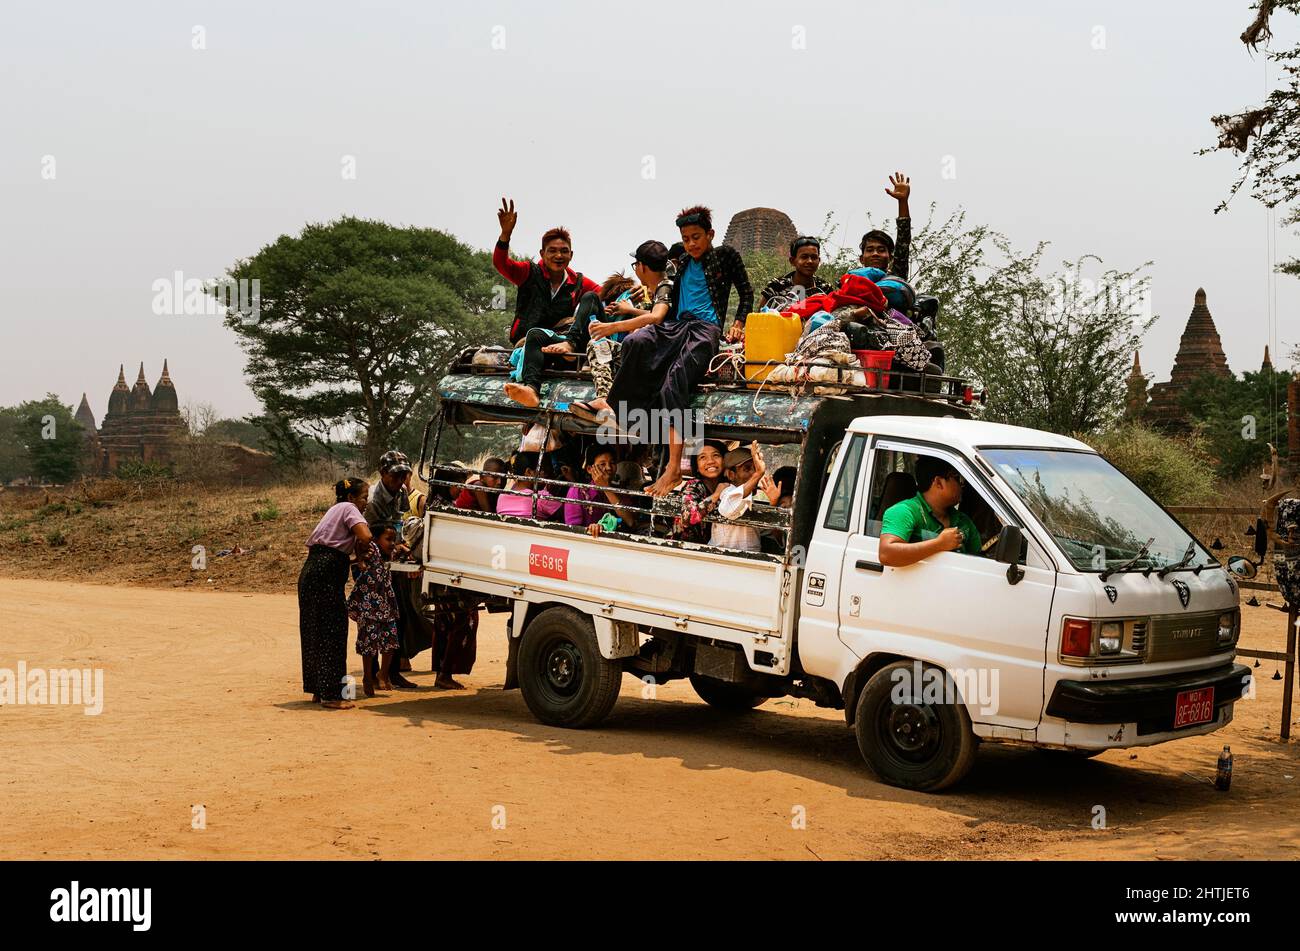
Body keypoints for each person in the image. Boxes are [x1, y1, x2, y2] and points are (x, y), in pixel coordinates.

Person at [581, 206, 752, 497]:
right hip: (676, 326)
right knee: (635, 341)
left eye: (696, 237)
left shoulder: (725, 256)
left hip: (705, 329)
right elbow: (662, 309)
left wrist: (738, 324)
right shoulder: (680, 263)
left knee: (674, 383)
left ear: (710, 234)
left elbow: (746, 293)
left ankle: (673, 468)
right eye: (686, 238)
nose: (691, 243)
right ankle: (618, 407)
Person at [546, 241, 673, 405]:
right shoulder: (658, 291)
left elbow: (656, 317)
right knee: (598, 344)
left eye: (636, 265)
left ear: (642, 267)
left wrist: (611, 326)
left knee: (602, 340)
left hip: (655, 355)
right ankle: (604, 399)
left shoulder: (666, 286)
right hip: (640, 351)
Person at [298, 478, 373, 709]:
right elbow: (366, 536)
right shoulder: (349, 508)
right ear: (351, 498)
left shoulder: (334, 510)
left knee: (314, 630)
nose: (365, 503)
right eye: (363, 498)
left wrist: (356, 557)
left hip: (312, 571)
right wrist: (363, 552)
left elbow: (333, 548)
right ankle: (332, 695)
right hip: (326, 575)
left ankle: (318, 690)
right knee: (333, 631)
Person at [493, 198, 601, 345]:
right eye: (552, 251)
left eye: (564, 251)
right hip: (524, 342)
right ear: (542, 254)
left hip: (557, 343)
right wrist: (505, 234)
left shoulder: (577, 282)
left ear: (571, 255)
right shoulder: (529, 272)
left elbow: (603, 293)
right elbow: (501, 264)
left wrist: (633, 291)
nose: (558, 256)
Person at [878, 456, 983, 567]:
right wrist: (939, 544)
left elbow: (980, 561)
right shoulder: (905, 511)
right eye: (957, 478)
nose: (962, 485)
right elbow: (886, 554)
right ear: (938, 482)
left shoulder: (963, 521)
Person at [348, 524, 401, 697]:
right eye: (388, 539)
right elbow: (360, 542)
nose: (392, 543)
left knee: (390, 641)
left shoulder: (390, 554)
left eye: (394, 539)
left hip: (386, 604)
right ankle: (367, 677)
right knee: (369, 645)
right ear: (377, 540)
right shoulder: (372, 550)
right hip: (368, 605)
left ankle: (383, 673)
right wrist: (361, 561)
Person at [563, 446, 641, 537]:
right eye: (602, 464)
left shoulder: (620, 492)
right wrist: (591, 529)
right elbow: (573, 531)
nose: (608, 468)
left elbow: (630, 522)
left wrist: (605, 488)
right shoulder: (577, 492)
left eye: (612, 463)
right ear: (589, 469)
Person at [709, 443, 767, 552]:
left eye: (755, 468)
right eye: (747, 469)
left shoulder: (750, 496)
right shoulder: (727, 490)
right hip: (723, 560)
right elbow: (728, 509)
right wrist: (758, 474)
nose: (753, 473)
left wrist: (774, 503)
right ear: (731, 475)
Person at [669, 439, 727, 544]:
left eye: (716, 455)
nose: (710, 461)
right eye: (702, 457)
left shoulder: (728, 485)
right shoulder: (694, 485)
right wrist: (716, 495)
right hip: (683, 548)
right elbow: (688, 518)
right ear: (696, 466)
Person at [858, 172, 912, 280]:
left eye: (881, 250)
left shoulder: (895, 278)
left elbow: (903, 242)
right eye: (869, 250)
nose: (875, 254)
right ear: (861, 259)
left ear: (891, 258)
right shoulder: (850, 282)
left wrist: (903, 202)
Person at [760, 236, 835, 310]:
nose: (810, 261)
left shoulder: (824, 289)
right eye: (804, 257)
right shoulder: (777, 286)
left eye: (814, 257)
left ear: (819, 261)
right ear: (792, 261)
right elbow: (760, 317)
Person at [496, 454, 564, 520]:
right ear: (528, 472)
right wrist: (572, 479)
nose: (546, 473)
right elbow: (569, 514)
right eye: (542, 469)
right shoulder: (540, 497)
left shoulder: (502, 496)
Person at [365, 450, 412, 533]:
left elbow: (406, 517)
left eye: (403, 476)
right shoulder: (372, 501)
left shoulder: (402, 490)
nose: (400, 481)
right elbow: (372, 534)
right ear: (383, 473)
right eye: (396, 476)